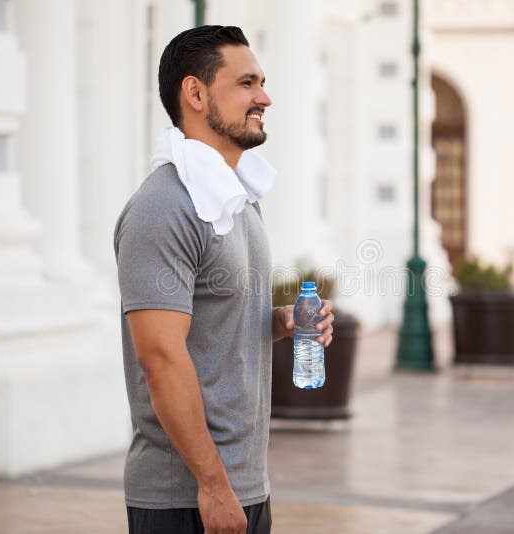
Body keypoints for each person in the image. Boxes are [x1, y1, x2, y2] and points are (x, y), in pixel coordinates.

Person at [114, 25, 335, 534]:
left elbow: (216, 318)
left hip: (242, 484)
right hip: (185, 496)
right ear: (195, 93)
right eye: (247, 83)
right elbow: (160, 358)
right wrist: (212, 485)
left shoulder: (236, 199)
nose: (265, 98)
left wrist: (282, 321)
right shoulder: (164, 208)